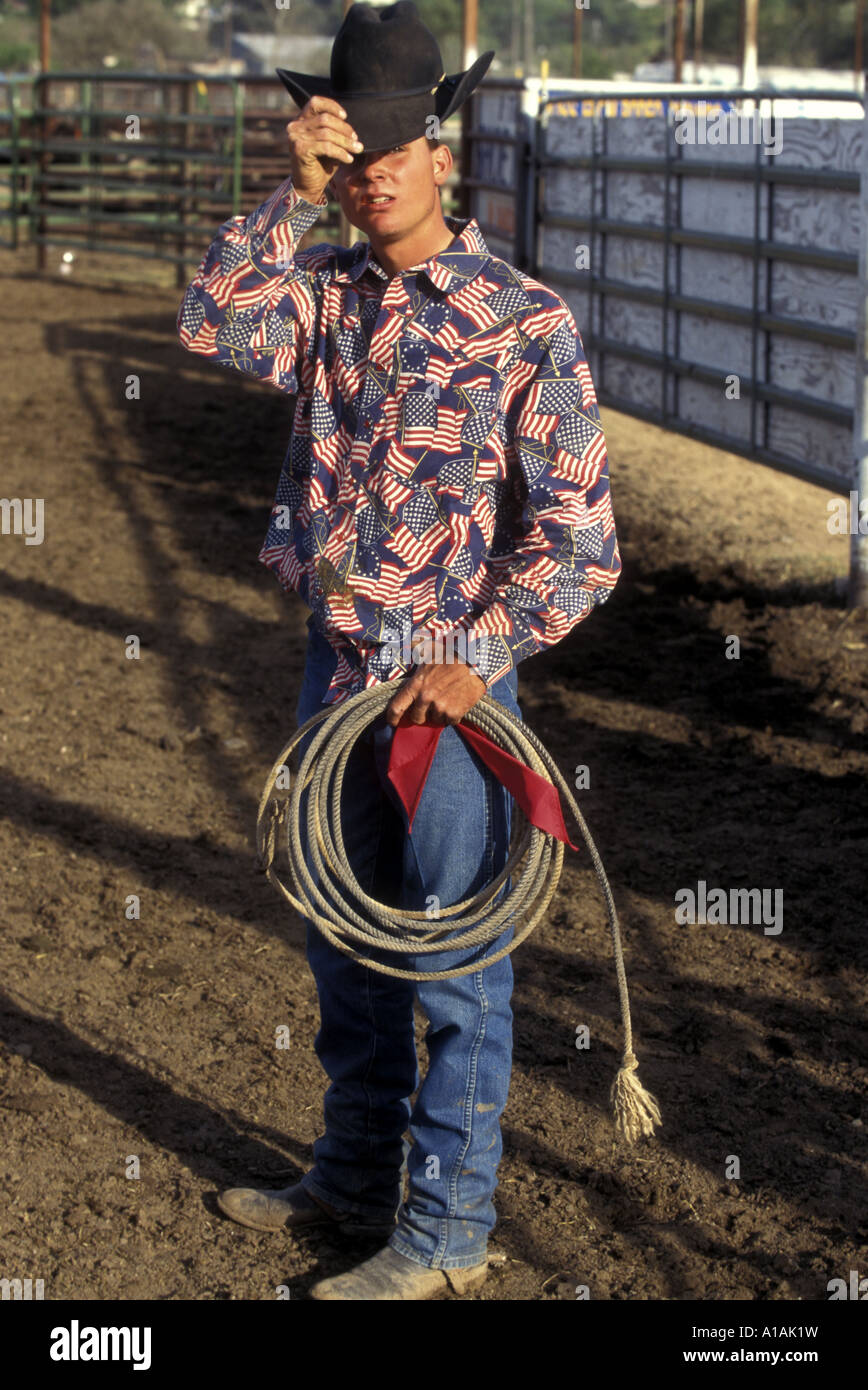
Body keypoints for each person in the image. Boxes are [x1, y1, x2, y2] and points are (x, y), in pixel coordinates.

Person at [176, 0, 621, 1300]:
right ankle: (354, 1178)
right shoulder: (324, 302)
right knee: (344, 939)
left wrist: (478, 647)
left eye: (384, 156)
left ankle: (445, 1232)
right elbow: (209, 324)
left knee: (455, 965)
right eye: (345, 160)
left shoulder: (523, 322)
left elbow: (583, 537)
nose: (367, 180)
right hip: (339, 672)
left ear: (440, 152)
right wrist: (287, 194)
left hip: (449, 689)